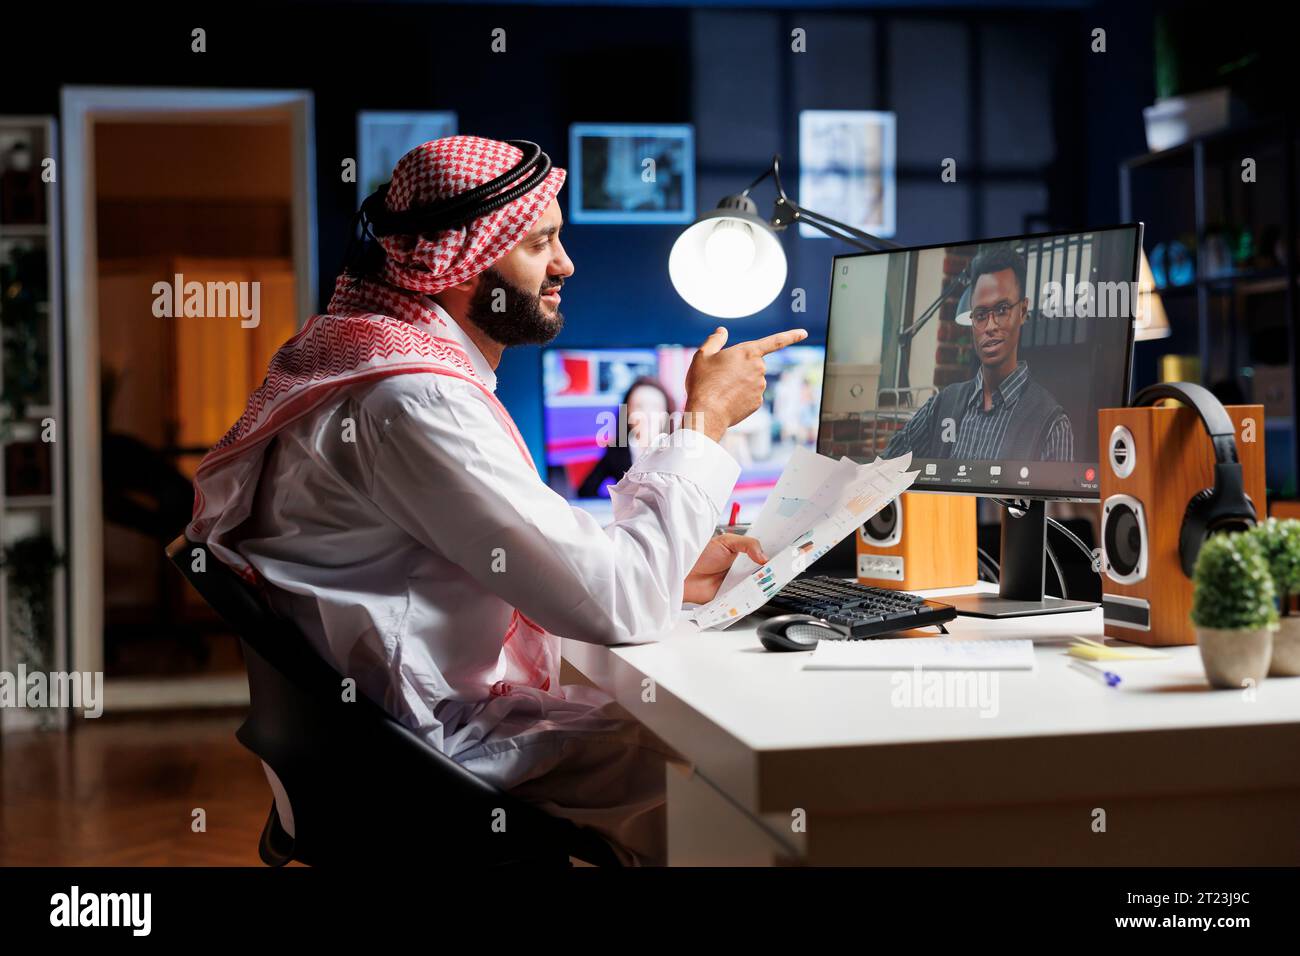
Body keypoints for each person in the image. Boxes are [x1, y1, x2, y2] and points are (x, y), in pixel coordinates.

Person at [186, 135, 807, 865]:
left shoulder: (381, 368)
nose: (566, 264)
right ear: (460, 262)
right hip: (426, 762)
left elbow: (555, 572)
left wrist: (665, 564)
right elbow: (620, 606)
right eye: (541, 242)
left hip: (381, 740)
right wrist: (702, 423)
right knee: (736, 788)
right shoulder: (411, 401)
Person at [884, 245, 1073, 462]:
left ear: (1022, 311)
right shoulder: (942, 405)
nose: (990, 326)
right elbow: (887, 466)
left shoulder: (1050, 423)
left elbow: (1055, 496)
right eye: (981, 314)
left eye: (1002, 310)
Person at [576, 376, 674, 498]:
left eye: (655, 407)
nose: (648, 414)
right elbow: (585, 491)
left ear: (666, 414)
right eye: (639, 406)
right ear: (627, 413)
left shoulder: (676, 449)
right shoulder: (616, 450)